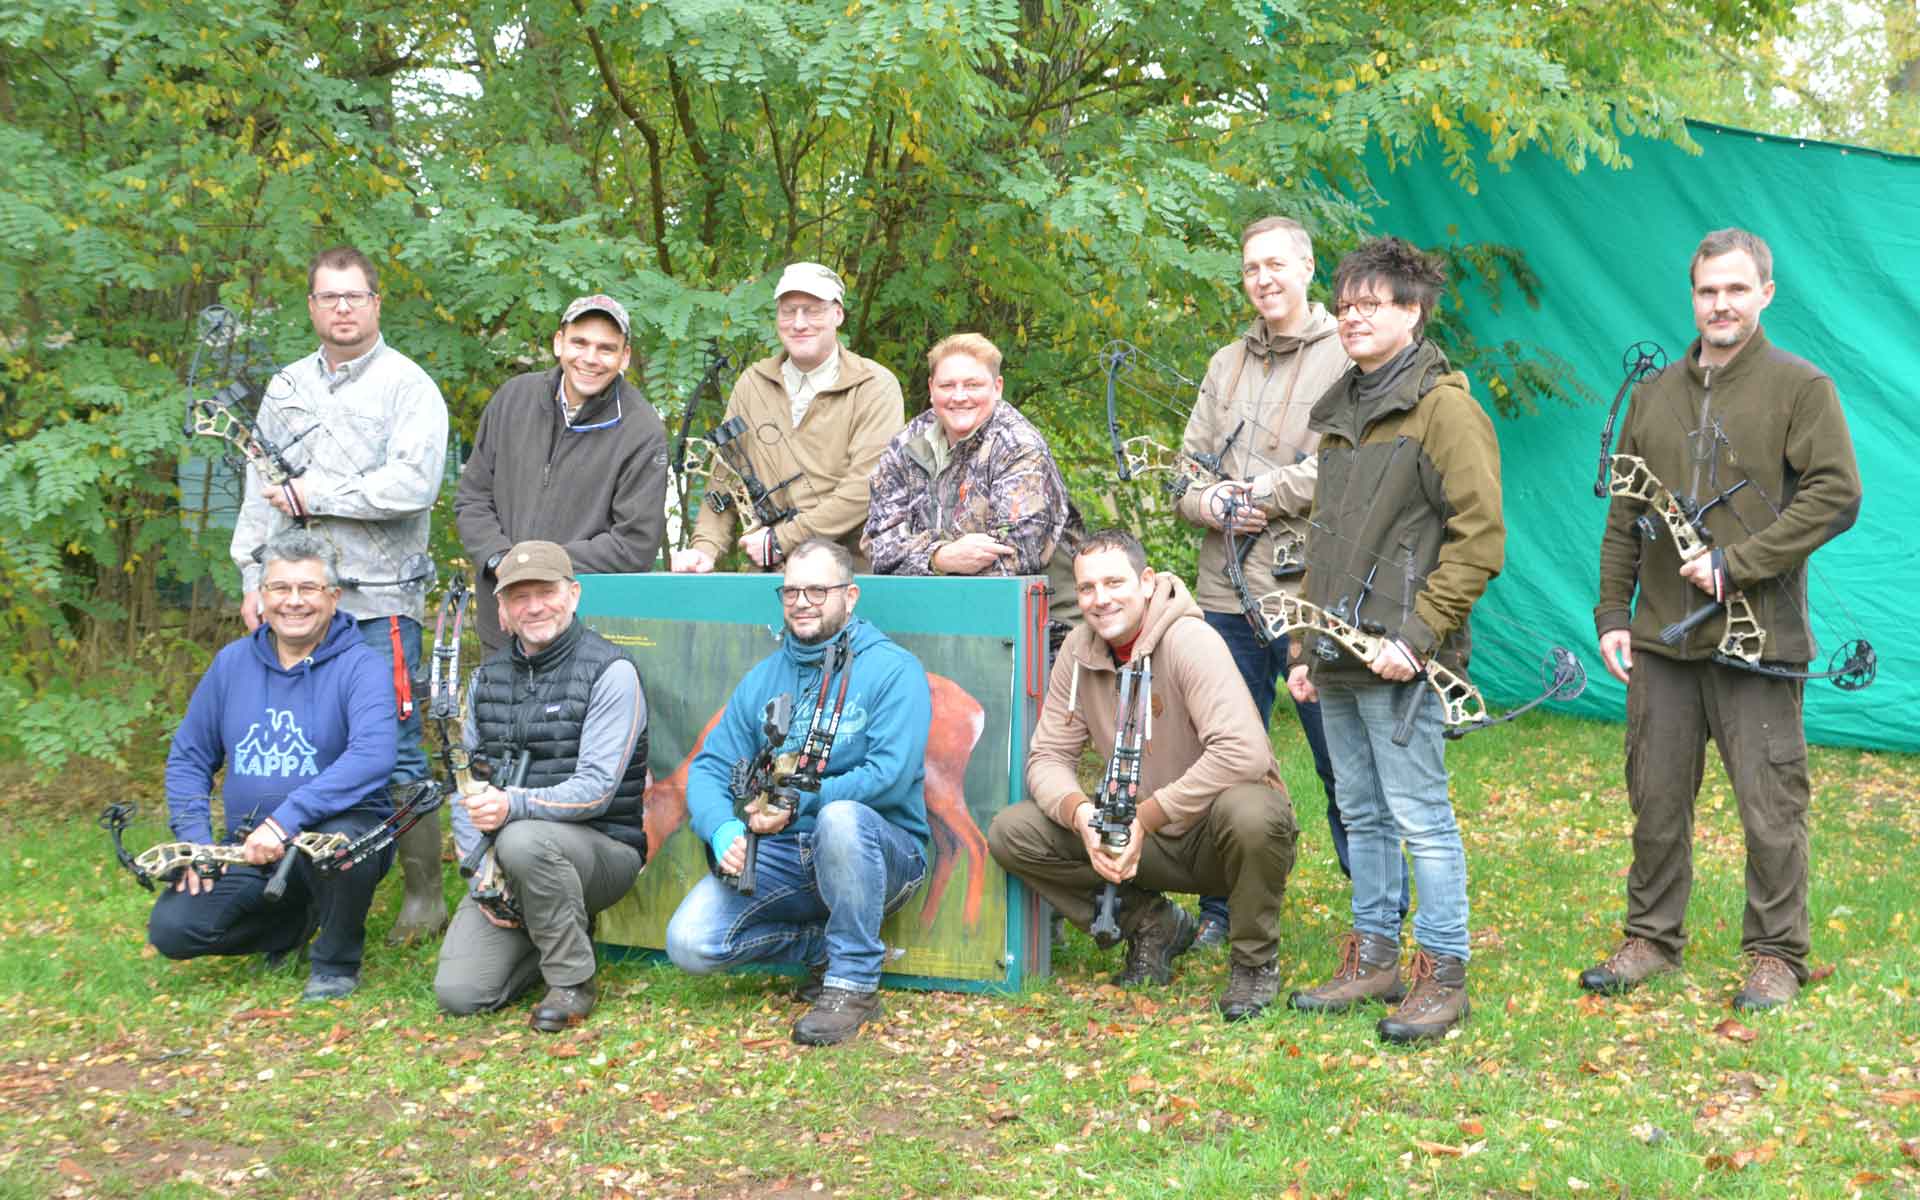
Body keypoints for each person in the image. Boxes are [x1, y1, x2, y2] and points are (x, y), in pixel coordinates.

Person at [1581, 228, 1861, 1012]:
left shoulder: (1801, 388)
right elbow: (1626, 514)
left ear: (1765, 293)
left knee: (1772, 805)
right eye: (1708, 290)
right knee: (1657, 794)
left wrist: (1741, 562)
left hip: (1759, 642)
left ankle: (1776, 953)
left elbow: (1836, 493)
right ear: (1693, 296)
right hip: (1662, 639)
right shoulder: (1654, 395)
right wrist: (1613, 611)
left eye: (1737, 289)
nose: (1721, 304)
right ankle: (1650, 938)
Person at [1283, 237, 1503, 1044]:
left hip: (1404, 657)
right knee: (1362, 812)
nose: (1352, 317)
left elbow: (1479, 539)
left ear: (1412, 312)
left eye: (1370, 304)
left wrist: (1415, 639)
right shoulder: (1341, 413)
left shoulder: (1446, 408)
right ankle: (1373, 956)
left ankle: (1443, 975)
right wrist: (1306, 651)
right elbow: (1327, 542)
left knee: (1421, 817)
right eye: (1343, 305)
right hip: (1337, 653)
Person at [1177, 215, 1404, 948]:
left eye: (1276, 264)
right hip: (1223, 596)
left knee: (1342, 756)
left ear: (1307, 268)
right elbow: (1186, 469)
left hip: (1313, 595)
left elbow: (1349, 461)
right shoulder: (1224, 365)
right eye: (1251, 268)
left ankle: (1379, 911)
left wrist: (1258, 496)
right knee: (1224, 760)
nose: (1264, 279)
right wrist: (1204, 500)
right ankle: (1223, 911)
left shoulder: (1348, 352)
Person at [229, 245, 451, 947]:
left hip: (379, 601)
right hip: (296, 603)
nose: (343, 308)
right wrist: (250, 579)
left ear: (376, 302)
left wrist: (318, 493)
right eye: (330, 297)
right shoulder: (286, 389)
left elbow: (412, 487)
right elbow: (257, 492)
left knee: (399, 750)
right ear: (312, 307)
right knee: (306, 748)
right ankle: (307, 890)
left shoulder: (408, 388)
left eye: (355, 296)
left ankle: (424, 895)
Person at [988, 529, 1300, 1022]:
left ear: (1148, 582)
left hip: (1214, 837)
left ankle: (1253, 963)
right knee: (1014, 832)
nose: (1100, 599)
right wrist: (1083, 816)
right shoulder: (1078, 650)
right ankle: (1152, 924)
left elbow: (1245, 752)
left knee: (1252, 810)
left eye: (1115, 582)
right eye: (1087, 587)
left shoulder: (1191, 640)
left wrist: (1148, 818)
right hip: (1133, 834)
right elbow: (1046, 757)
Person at [665, 538, 931, 1046]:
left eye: (817, 590)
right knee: (689, 943)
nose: (802, 602)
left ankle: (852, 984)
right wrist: (722, 828)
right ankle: (821, 949)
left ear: (850, 597)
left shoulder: (894, 671)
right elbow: (708, 770)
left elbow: (890, 775)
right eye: (790, 591)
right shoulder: (765, 679)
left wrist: (800, 803)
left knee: (841, 818)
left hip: (880, 852)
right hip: (788, 856)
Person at [147, 531, 399, 1001]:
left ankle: (336, 962)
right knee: (174, 930)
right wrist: (196, 840)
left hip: (337, 833)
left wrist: (286, 820)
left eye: (308, 588)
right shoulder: (231, 663)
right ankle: (291, 925)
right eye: (281, 588)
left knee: (341, 847)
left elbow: (373, 756)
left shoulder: (361, 665)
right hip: (248, 844)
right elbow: (189, 756)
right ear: (262, 597)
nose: (294, 602)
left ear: (334, 597)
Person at [432, 542, 650, 1031]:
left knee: (522, 837)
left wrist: (512, 805)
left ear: (573, 595)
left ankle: (572, 983)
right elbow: (465, 790)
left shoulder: (611, 672)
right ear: (503, 612)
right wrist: (481, 878)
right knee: (461, 993)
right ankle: (561, 931)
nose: (534, 606)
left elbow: (597, 789)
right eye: (519, 596)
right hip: (509, 860)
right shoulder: (485, 679)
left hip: (603, 850)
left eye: (546, 592)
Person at [455, 294, 669, 651]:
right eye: (579, 343)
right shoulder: (512, 399)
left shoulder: (642, 430)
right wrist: (503, 565)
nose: (590, 358)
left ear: (625, 357)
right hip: (502, 625)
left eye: (606, 348)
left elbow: (634, 545)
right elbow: (473, 499)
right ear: (559, 343)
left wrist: (535, 571)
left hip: (584, 636)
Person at [669, 263, 904, 574]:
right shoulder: (752, 383)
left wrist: (783, 539)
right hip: (766, 578)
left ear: (838, 315)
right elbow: (725, 476)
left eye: (813, 310)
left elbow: (864, 488)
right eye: (788, 311)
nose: (799, 323)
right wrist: (705, 548)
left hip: (846, 578)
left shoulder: (874, 386)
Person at [862, 331, 1085, 636]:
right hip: (933, 621)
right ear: (931, 389)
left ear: (998, 387)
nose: (959, 396)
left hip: (1037, 630)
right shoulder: (908, 443)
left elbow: (1012, 562)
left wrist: (915, 558)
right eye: (947, 385)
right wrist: (939, 557)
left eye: (973, 385)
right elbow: (877, 547)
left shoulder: (1020, 448)